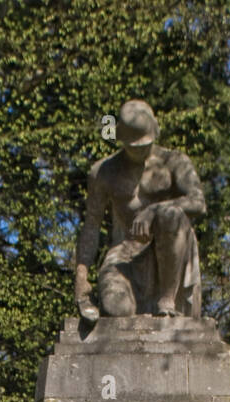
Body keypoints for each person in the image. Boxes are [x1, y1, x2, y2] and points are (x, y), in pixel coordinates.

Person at [74, 99, 206, 320]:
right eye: (134, 146)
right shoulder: (104, 171)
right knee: (116, 309)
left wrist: (153, 210)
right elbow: (92, 226)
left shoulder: (173, 161)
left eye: (145, 144)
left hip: (168, 256)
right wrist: (81, 273)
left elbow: (198, 202)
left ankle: (167, 301)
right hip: (124, 255)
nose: (141, 150)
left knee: (170, 214)